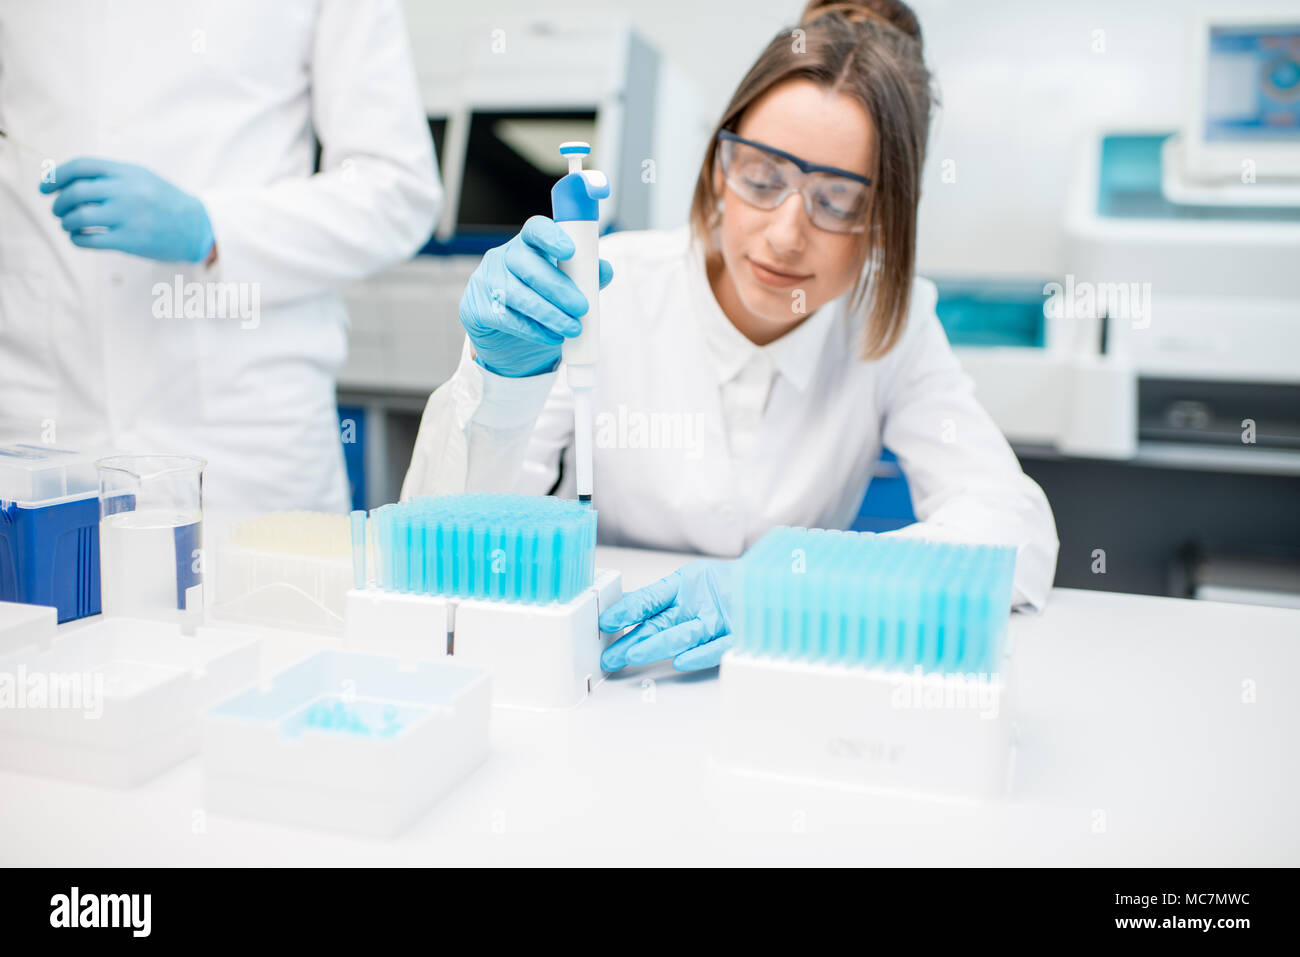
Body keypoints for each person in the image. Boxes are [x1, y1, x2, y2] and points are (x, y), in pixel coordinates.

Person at [401, 0, 1059, 671]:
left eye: (838, 201)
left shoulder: (892, 325)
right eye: (762, 177)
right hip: (603, 672)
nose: (784, 234)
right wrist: (501, 388)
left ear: (887, 219)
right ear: (720, 168)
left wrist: (789, 590)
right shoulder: (612, 284)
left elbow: (1013, 531)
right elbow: (444, 557)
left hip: (775, 690)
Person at [0, 0, 441, 514]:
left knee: (262, 588)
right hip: (41, 417)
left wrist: (213, 227)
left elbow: (398, 190)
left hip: (243, 434)